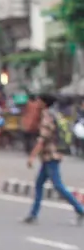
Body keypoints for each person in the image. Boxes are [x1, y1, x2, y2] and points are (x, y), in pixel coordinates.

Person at [23, 93, 84, 226]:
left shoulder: (47, 116)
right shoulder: (55, 114)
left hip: (51, 156)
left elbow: (42, 139)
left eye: (39, 100)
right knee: (39, 184)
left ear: (44, 103)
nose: (37, 103)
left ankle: (80, 209)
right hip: (50, 155)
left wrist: (32, 156)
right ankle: (33, 214)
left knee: (58, 186)